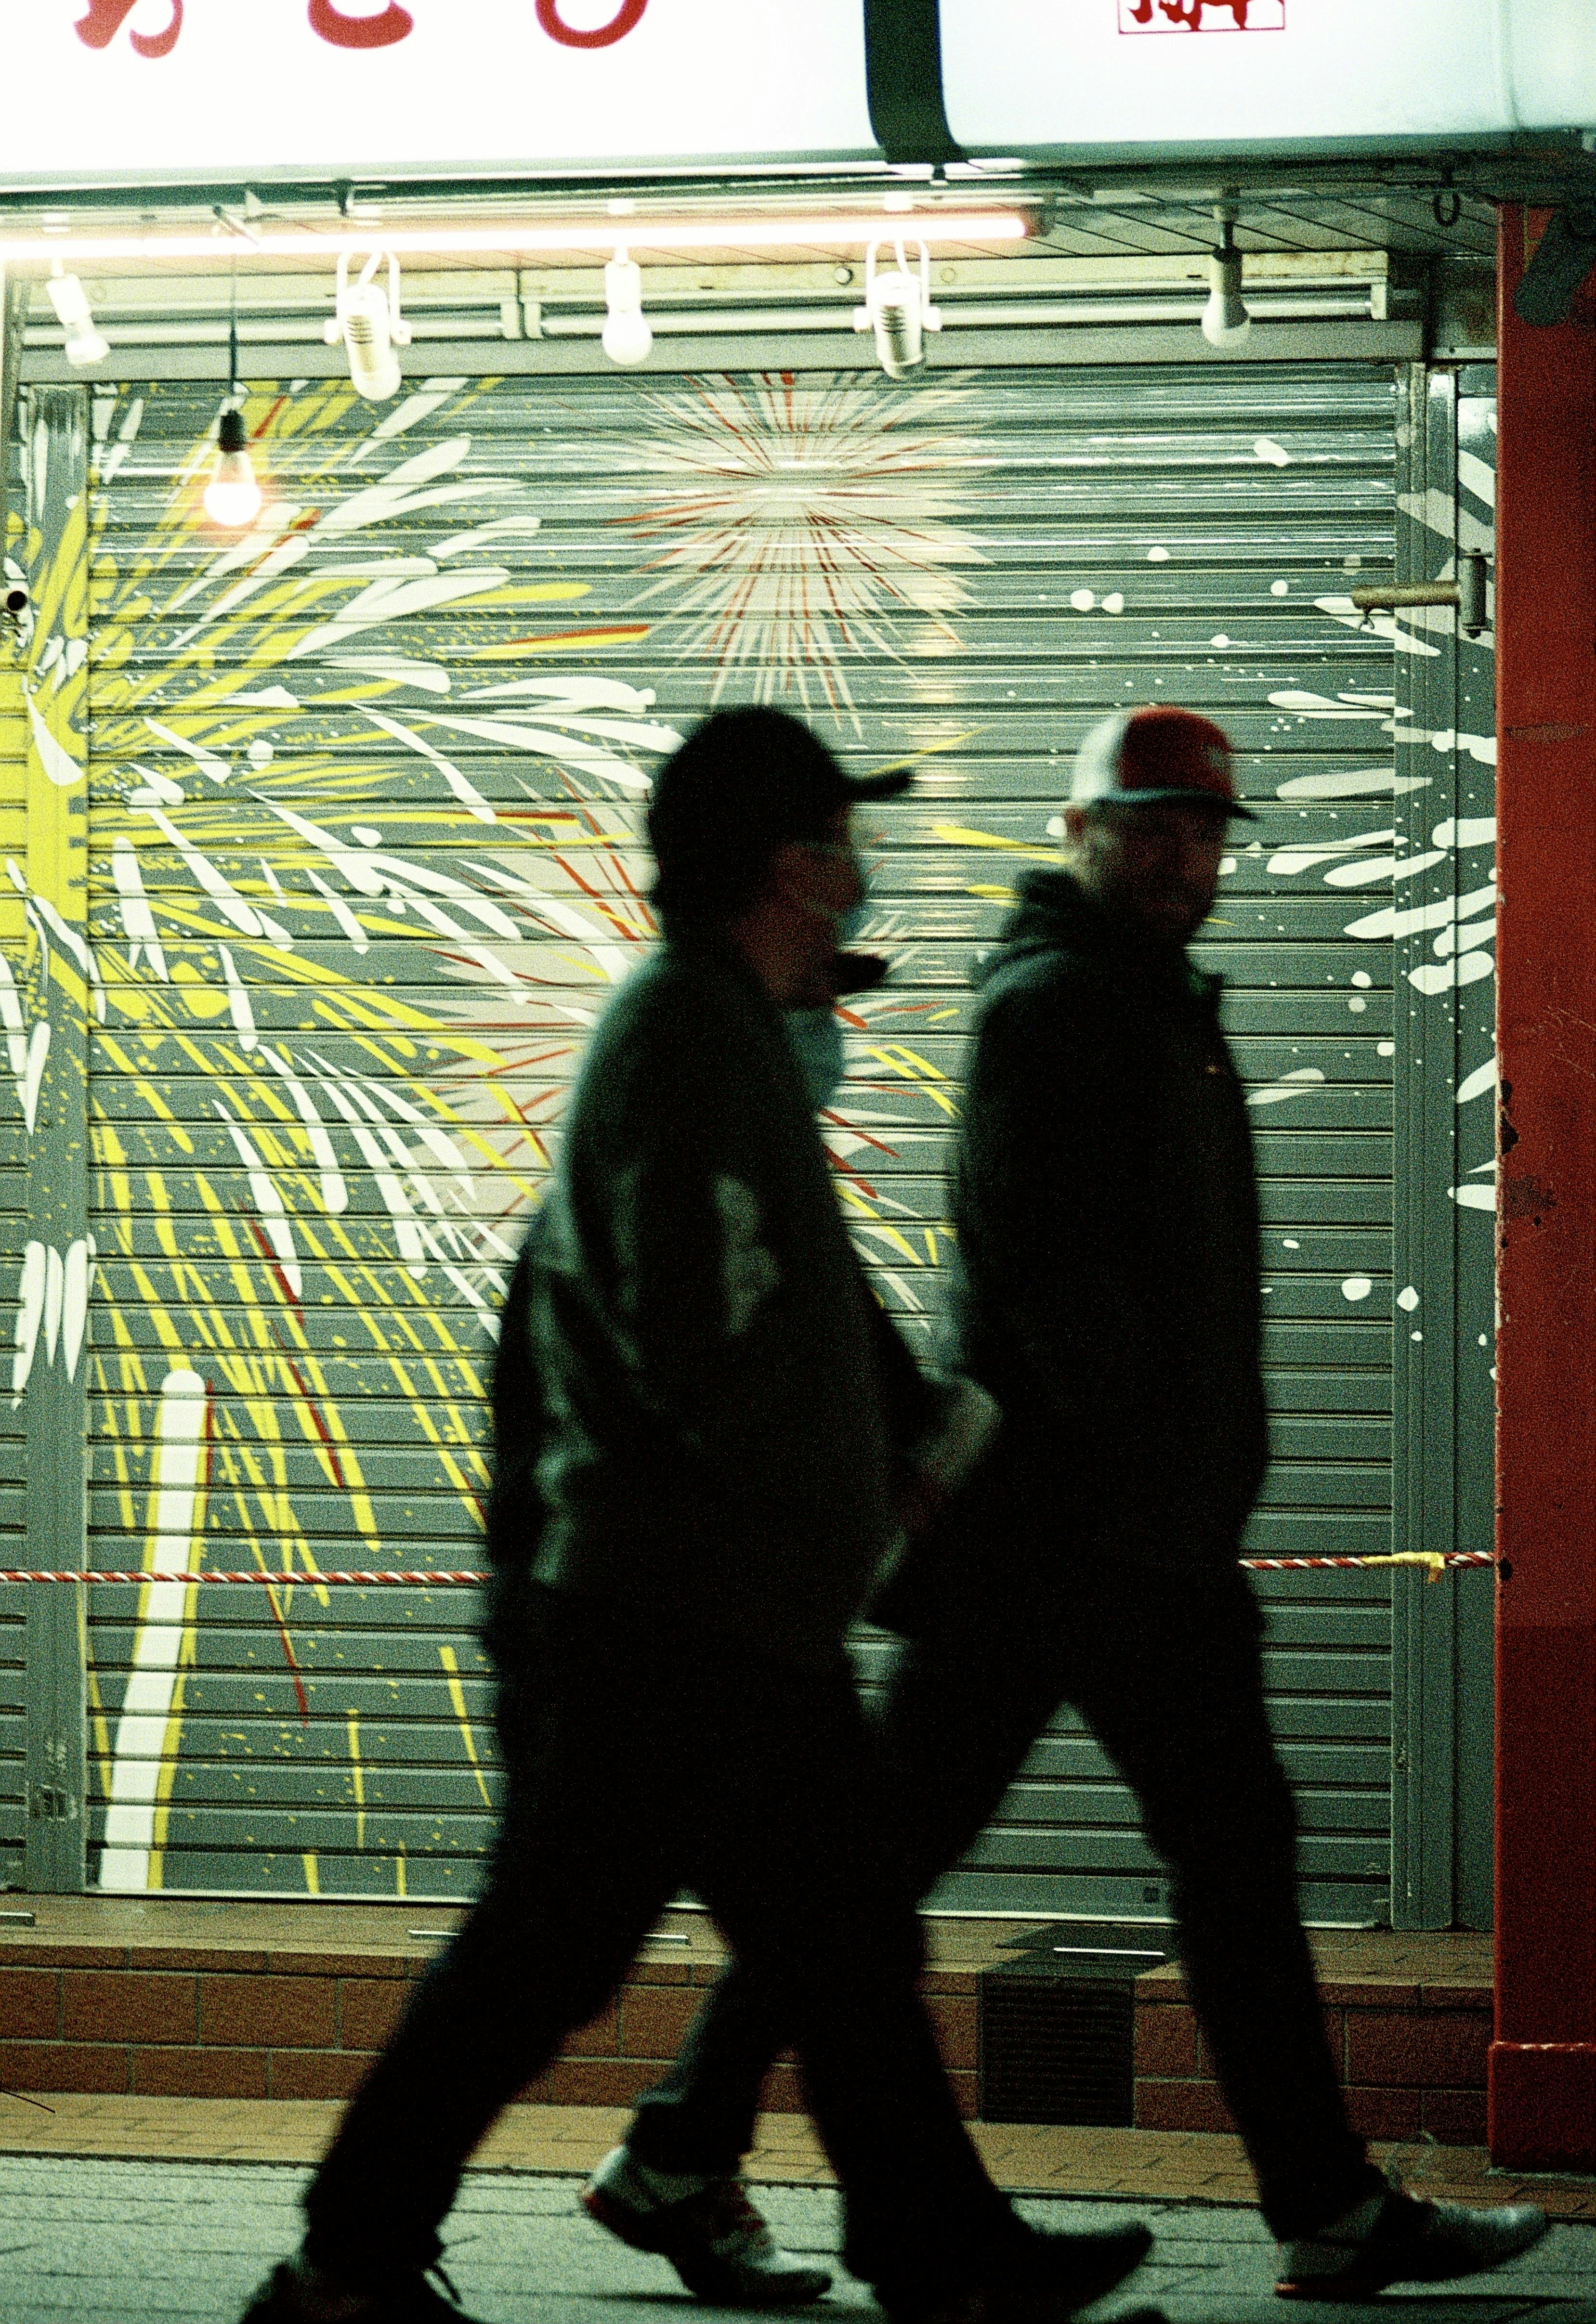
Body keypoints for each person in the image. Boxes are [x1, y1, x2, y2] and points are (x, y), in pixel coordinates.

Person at [587, 703, 1548, 2308]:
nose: (1182, 855)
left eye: (1203, 830)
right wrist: (1148, 1490)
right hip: (1066, 1542)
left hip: (1104, 1538)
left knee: (985, 1863)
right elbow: (1043, 1285)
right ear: (1078, 830)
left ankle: (685, 2149)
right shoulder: (1055, 1005)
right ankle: (1309, 2205)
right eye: (1151, 824)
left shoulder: (1145, 999)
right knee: (924, 1869)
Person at [238, 705, 1153, 2324]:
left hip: (724, 1613)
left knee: (845, 1945)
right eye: (842, 843)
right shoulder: (679, 1037)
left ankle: (934, 2248)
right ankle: (348, 2257)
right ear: (793, 864)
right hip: (672, 1618)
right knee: (555, 1954)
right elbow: (696, 1327)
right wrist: (829, 1498)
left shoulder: (718, 1026)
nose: (862, 874)